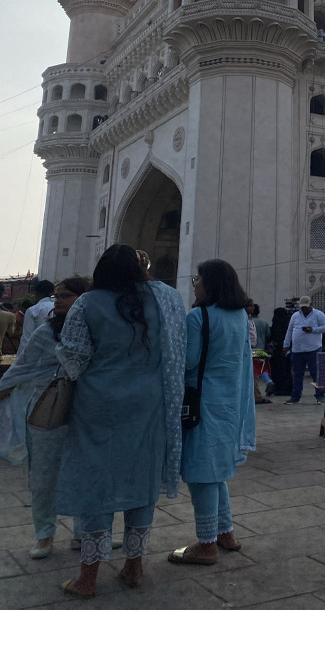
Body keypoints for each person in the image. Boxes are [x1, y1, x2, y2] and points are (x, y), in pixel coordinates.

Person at [55, 245, 187, 598]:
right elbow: (178, 346)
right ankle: (134, 566)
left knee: (96, 481)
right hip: (148, 404)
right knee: (141, 478)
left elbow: (73, 358)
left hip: (98, 404)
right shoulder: (165, 299)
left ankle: (87, 577)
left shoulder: (88, 303)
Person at [168, 259, 256, 567]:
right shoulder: (239, 317)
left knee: (201, 473)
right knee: (216, 471)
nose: (195, 284)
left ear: (211, 283)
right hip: (229, 404)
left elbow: (189, 361)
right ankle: (226, 532)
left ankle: (206, 544)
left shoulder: (198, 316)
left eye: (198, 278)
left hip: (201, 404)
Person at [0, 277, 90, 558]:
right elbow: (23, 365)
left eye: (66, 295)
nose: (58, 301)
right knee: (43, 475)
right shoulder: (47, 332)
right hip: (47, 407)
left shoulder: (93, 330)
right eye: (56, 296)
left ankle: (83, 533)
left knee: (82, 472)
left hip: (84, 408)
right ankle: (44, 534)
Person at [283, 296, 325, 404]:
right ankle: (295, 396)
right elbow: (289, 331)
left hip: (313, 348)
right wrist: (286, 345)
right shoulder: (295, 316)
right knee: (297, 374)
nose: (304, 309)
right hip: (297, 349)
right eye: (302, 307)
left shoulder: (318, 314)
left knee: (316, 373)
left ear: (310, 305)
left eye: (305, 307)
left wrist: (313, 330)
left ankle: (320, 396)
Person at [246, 300, 271, 403]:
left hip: (251, 350)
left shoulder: (249, 321)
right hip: (259, 350)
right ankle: (268, 382)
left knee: (254, 373)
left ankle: (257, 395)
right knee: (258, 370)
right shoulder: (263, 323)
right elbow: (268, 336)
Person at [19, 280, 55, 352]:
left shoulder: (33, 310)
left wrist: (20, 360)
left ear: (36, 293)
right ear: (52, 292)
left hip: (37, 353)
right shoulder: (59, 307)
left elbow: (26, 338)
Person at [267, 308, 292, 396]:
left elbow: (274, 337)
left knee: (278, 370)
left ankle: (280, 388)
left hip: (277, 352)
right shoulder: (288, 325)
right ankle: (288, 388)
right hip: (287, 351)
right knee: (287, 370)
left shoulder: (276, 325)